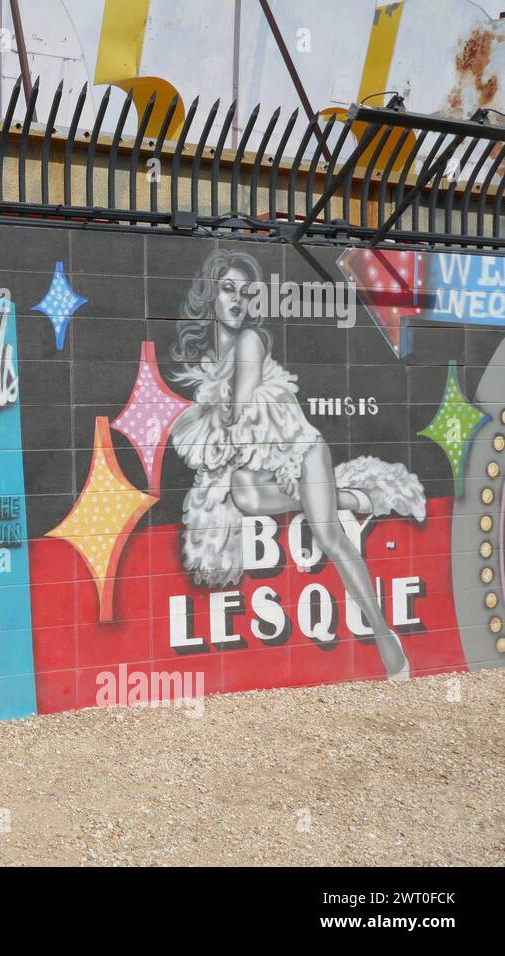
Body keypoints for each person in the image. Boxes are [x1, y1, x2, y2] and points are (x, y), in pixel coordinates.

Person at [168, 249, 424, 681]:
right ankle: (344, 496)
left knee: (329, 535)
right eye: (227, 289)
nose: (235, 300)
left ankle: (385, 638)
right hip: (260, 461)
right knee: (244, 495)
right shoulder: (208, 357)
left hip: (299, 450)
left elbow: (240, 409)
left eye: (245, 293)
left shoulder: (250, 341)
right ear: (211, 295)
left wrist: (215, 425)